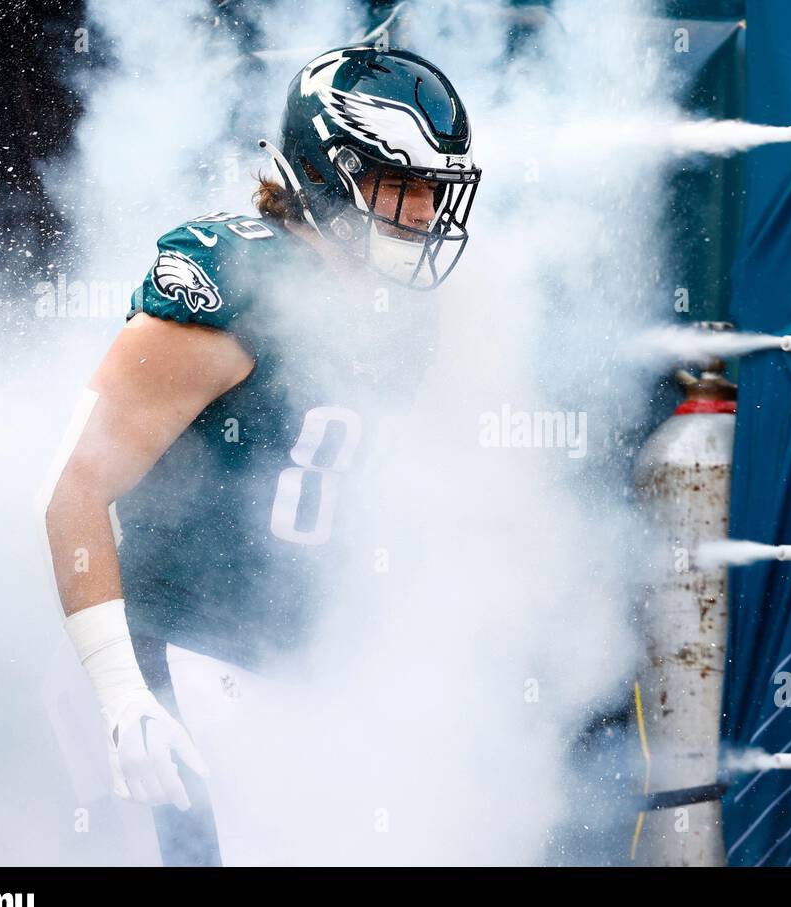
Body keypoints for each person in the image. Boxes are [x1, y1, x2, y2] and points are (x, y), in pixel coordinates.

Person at [40, 45, 481, 865]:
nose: (425, 214)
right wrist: (118, 693)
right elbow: (74, 493)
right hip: (172, 663)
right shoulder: (232, 278)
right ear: (330, 171)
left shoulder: (395, 313)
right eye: (404, 185)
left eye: (436, 190)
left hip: (283, 671)